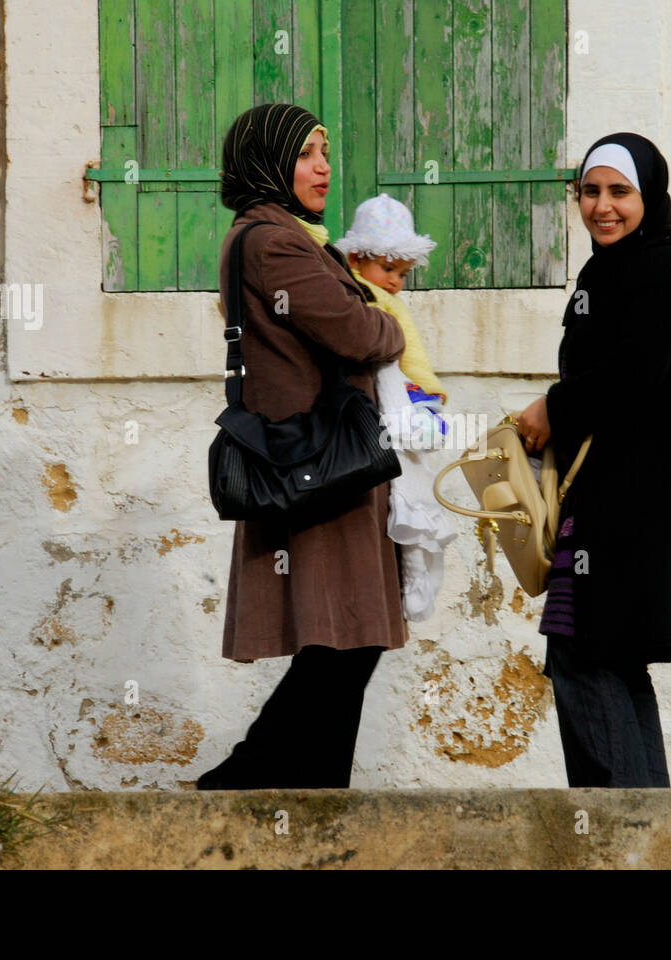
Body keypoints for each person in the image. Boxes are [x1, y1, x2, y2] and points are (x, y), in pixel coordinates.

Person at [196, 103, 407, 790]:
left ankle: (311, 794)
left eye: (325, 149)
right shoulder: (274, 242)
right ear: (267, 161)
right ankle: (247, 780)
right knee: (344, 639)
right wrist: (388, 323)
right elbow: (354, 332)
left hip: (317, 463)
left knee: (346, 641)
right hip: (322, 469)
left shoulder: (270, 236)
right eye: (306, 152)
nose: (323, 166)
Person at [514, 132, 671, 788]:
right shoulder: (612, 271)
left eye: (619, 192)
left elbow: (633, 377)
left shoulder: (661, 272)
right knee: (605, 662)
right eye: (590, 191)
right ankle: (651, 839)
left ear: (648, 196)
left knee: (585, 657)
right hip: (601, 505)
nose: (602, 206)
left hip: (627, 512)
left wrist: (552, 406)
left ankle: (625, 840)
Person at [335, 193, 455, 622]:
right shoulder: (358, 295)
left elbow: (411, 352)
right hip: (397, 396)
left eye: (401, 273)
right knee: (409, 489)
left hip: (414, 392)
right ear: (356, 257)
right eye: (387, 268)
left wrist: (427, 394)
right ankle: (414, 577)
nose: (394, 281)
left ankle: (415, 577)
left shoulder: (388, 300)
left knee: (415, 484)